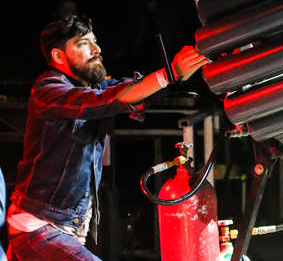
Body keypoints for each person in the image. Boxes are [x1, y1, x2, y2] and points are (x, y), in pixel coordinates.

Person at [6, 14, 209, 261]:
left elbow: (136, 90)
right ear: (58, 56)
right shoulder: (48, 89)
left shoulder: (96, 86)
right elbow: (107, 100)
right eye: (83, 43)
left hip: (67, 231)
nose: (96, 49)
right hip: (37, 227)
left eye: (95, 41)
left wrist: (185, 68)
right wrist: (169, 73)